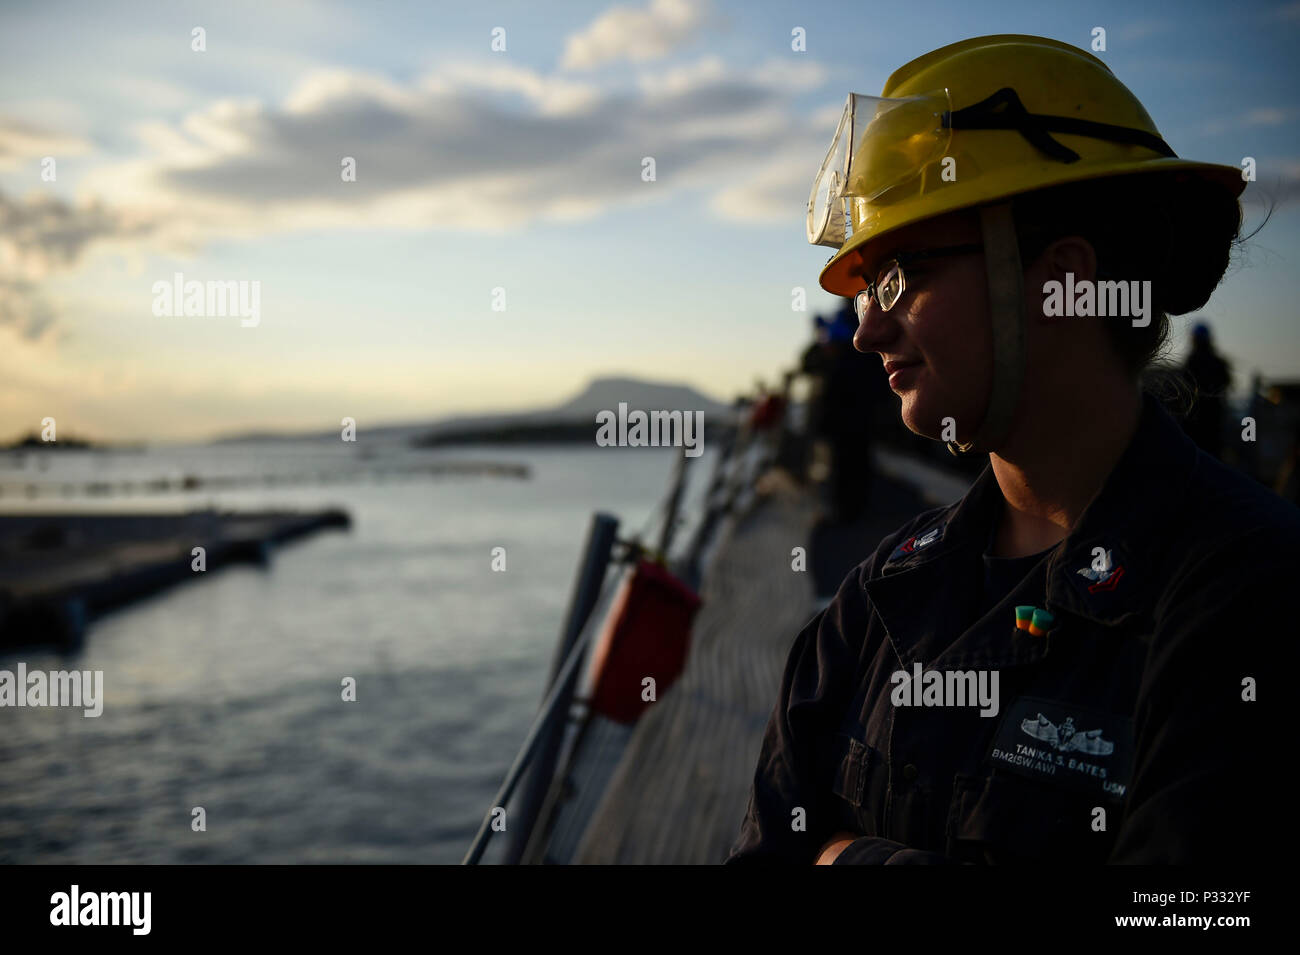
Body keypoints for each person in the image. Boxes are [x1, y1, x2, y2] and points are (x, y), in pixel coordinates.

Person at [725, 34, 1295, 865]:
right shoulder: (880, 597)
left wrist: (855, 859)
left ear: (1062, 278)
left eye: (901, 275)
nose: (867, 329)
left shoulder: (1252, 597)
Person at [1180, 322, 1232, 459]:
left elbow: (1183, 388)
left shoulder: (1191, 362)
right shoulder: (1218, 362)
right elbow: (1227, 383)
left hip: (1195, 419)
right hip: (1213, 419)